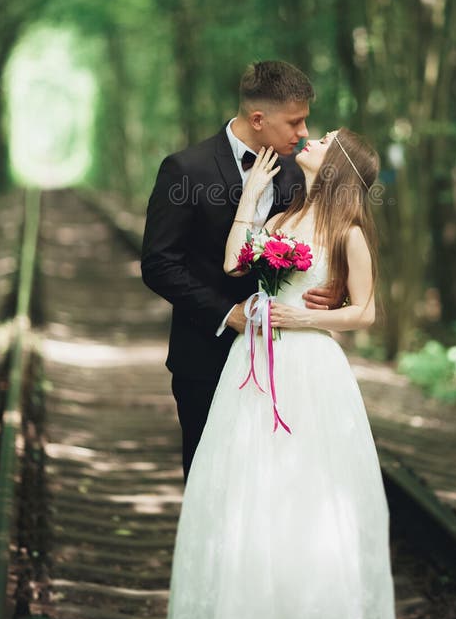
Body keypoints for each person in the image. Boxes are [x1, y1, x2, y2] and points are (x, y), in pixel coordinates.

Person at [165, 128, 397, 619]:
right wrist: (249, 197)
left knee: (307, 487)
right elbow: (232, 263)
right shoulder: (284, 214)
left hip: (310, 368)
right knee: (249, 480)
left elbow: (365, 312)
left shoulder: (349, 232)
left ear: (337, 164)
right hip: (253, 362)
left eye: (326, 139)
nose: (312, 138)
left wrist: (306, 320)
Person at [141, 60, 338, 479]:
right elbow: (159, 263)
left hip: (286, 363)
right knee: (209, 480)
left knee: (275, 483)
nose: (304, 133)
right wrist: (226, 314)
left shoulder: (298, 172)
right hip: (205, 359)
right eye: (296, 122)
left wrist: (331, 289)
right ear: (258, 119)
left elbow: (319, 246)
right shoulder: (185, 170)